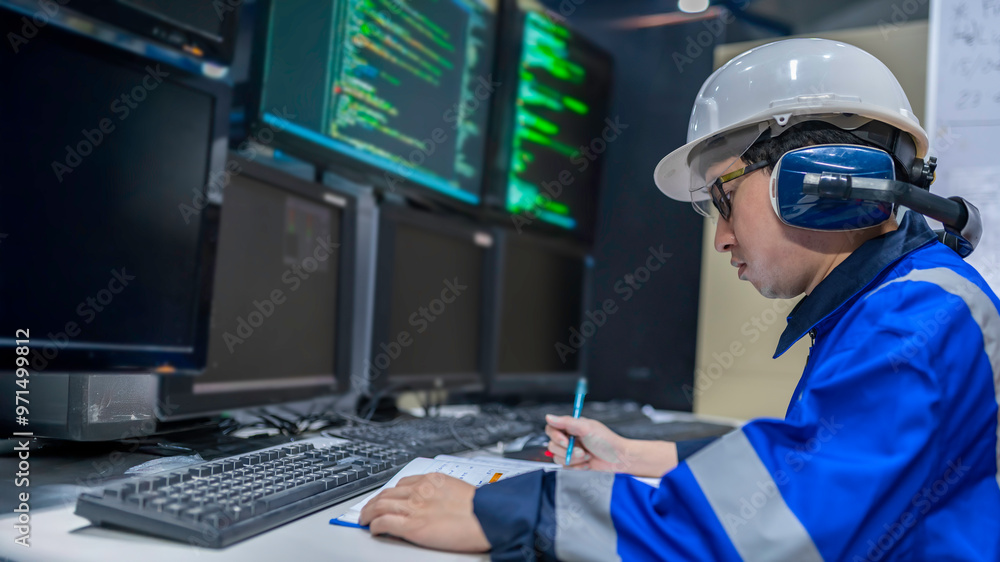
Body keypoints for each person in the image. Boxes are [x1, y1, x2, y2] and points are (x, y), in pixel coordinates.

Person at [359, 38, 1000, 561]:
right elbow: (816, 458)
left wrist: (510, 510)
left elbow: (773, 533)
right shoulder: (902, 301)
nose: (721, 238)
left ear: (822, 181)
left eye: (722, 199)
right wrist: (645, 457)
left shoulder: (915, 325)